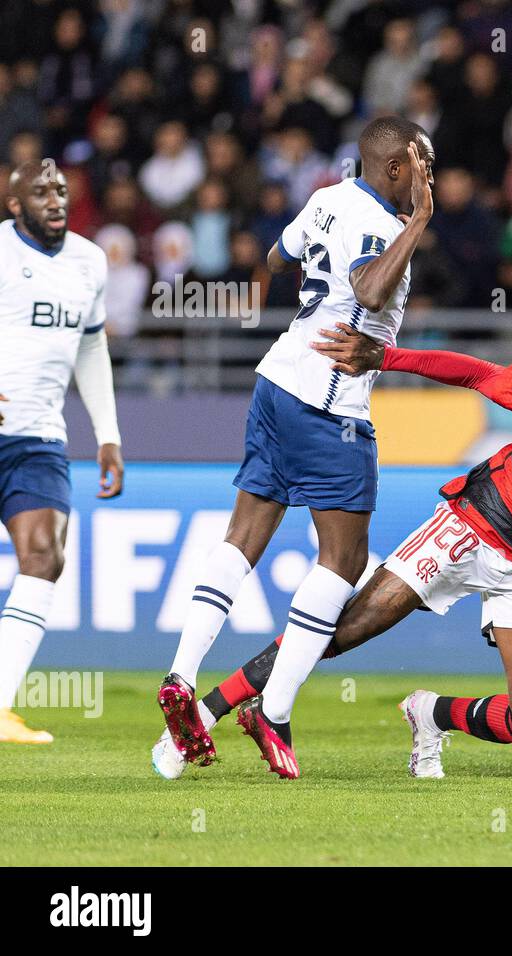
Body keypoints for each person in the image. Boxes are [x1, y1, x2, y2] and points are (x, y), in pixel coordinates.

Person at [157, 329, 512, 780]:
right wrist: (387, 357)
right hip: (473, 524)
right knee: (347, 628)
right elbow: (480, 374)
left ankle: (429, 713)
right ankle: (207, 711)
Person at [151, 117, 435, 774]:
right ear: (395, 168)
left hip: (275, 382)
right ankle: (272, 709)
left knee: (241, 538)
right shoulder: (386, 227)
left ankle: (180, 673)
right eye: (421, 164)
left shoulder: (326, 199)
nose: (428, 176)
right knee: (343, 562)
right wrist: (418, 222)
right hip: (329, 405)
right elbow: (368, 289)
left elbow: (278, 258)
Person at [0, 161, 124, 744]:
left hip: (39, 441)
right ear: (14, 203)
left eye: (62, 191)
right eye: (41, 192)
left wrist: (108, 434)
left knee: (45, 557)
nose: (56, 200)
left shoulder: (89, 261)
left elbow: (91, 348)